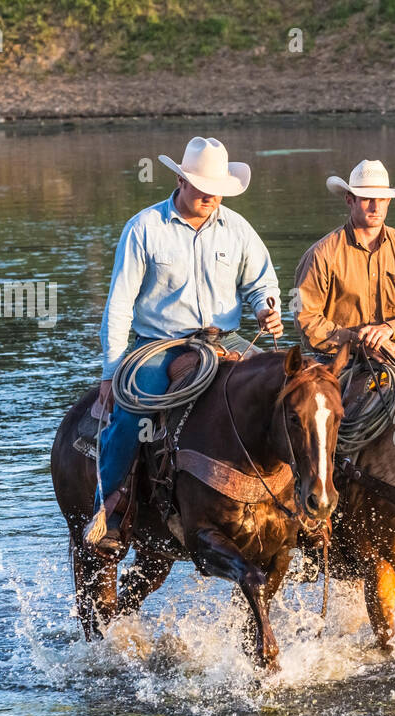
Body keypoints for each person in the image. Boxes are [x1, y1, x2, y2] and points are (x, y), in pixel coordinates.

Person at [87, 136, 284, 556]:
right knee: (134, 410)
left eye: (217, 189)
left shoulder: (238, 230)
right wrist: (110, 372)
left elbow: (261, 283)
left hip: (225, 337)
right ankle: (110, 509)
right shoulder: (144, 228)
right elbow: (119, 304)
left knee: (283, 391)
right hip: (160, 344)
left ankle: (296, 503)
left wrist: (267, 310)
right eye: (201, 186)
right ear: (180, 179)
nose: (211, 195)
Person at [292, 159, 395, 358]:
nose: (375, 207)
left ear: (389, 201)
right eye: (367, 199)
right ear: (350, 200)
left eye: (382, 199)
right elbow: (305, 320)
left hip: (390, 360)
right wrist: (358, 342)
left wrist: (389, 329)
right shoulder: (321, 254)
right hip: (332, 362)